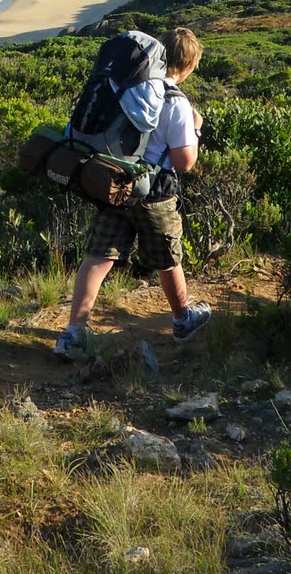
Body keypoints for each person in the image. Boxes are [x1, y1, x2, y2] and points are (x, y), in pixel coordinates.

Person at [53, 26, 212, 357]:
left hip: (117, 185)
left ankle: (73, 333)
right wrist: (196, 129)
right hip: (156, 195)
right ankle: (182, 320)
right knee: (168, 259)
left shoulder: (129, 89)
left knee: (98, 257)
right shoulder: (176, 102)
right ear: (189, 66)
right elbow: (184, 162)